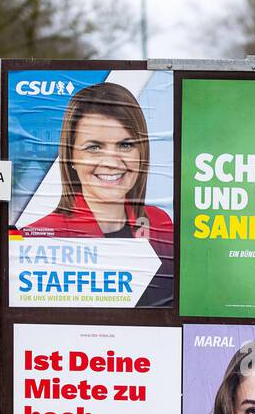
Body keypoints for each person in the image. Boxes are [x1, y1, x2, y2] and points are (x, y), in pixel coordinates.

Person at [17, 82, 175, 306]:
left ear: (142, 151)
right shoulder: (39, 237)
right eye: (94, 147)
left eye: (125, 145)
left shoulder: (161, 224)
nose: (111, 162)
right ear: (70, 155)